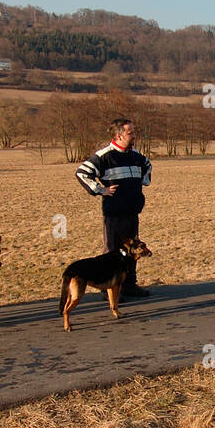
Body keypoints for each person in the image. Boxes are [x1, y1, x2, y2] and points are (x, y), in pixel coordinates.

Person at [76, 118, 152, 297]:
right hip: (114, 214)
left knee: (134, 250)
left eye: (133, 131)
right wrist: (100, 190)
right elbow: (82, 172)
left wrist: (141, 184)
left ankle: (129, 285)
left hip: (132, 212)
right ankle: (108, 290)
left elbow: (148, 165)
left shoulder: (135, 155)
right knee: (112, 252)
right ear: (118, 136)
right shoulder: (105, 156)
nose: (134, 135)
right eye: (130, 132)